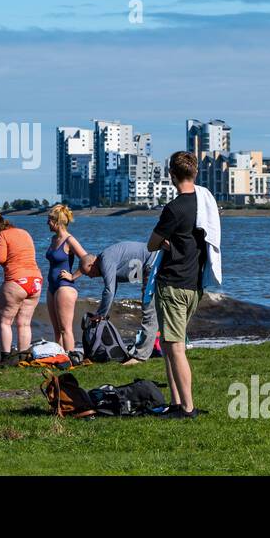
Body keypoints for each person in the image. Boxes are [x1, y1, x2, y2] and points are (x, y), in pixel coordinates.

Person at [147, 151, 208, 419]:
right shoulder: (205, 203)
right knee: (172, 344)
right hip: (194, 284)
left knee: (175, 347)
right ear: (194, 173)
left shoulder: (174, 208)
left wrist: (166, 242)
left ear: (172, 175)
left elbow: (151, 243)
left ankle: (187, 407)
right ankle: (176, 402)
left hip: (173, 284)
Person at [75, 242, 160, 364]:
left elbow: (109, 291)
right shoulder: (106, 260)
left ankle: (141, 357)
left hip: (151, 263)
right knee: (161, 308)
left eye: (87, 273)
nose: (90, 277)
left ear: (91, 264)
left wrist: (101, 314)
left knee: (149, 311)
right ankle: (170, 344)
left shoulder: (105, 260)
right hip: (152, 261)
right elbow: (113, 288)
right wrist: (102, 313)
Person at [0, 212, 43, 355]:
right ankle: (23, 356)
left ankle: (5, 356)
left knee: (5, 321)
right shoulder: (25, 233)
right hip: (35, 281)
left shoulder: (3, 235)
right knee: (24, 323)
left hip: (17, 280)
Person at [44, 204, 88, 353]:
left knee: (65, 329)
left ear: (57, 222)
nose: (47, 223)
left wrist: (73, 275)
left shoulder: (69, 240)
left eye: (49, 220)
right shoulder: (53, 239)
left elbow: (87, 260)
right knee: (56, 330)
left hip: (65, 287)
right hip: (52, 286)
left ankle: (71, 360)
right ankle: (60, 358)